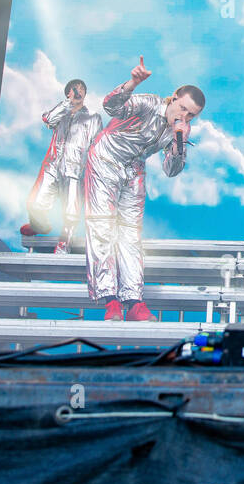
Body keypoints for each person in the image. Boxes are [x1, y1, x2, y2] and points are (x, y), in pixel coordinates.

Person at [84, 56, 204, 321]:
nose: (183, 116)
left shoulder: (178, 130)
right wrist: (132, 83)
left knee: (130, 235)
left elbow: (171, 170)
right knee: (102, 227)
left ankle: (134, 301)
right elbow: (111, 107)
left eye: (191, 114)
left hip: (133, 170)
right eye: (182, 108)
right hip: (105, 160)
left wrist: (178, 142)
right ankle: (109, 300)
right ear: (173, 98)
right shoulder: (148, 103)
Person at [21, 79, 102, 254]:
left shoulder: (93, 117)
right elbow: (48, 119)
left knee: (71, 212)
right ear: (68, 93)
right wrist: (68, 104)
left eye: (82, 89)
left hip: (75, 169)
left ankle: (64, 244)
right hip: (53, 165)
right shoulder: (61, 113)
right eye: (75, 89)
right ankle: (38, 225)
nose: (79, 91)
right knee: (35, 203)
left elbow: (96, 144)